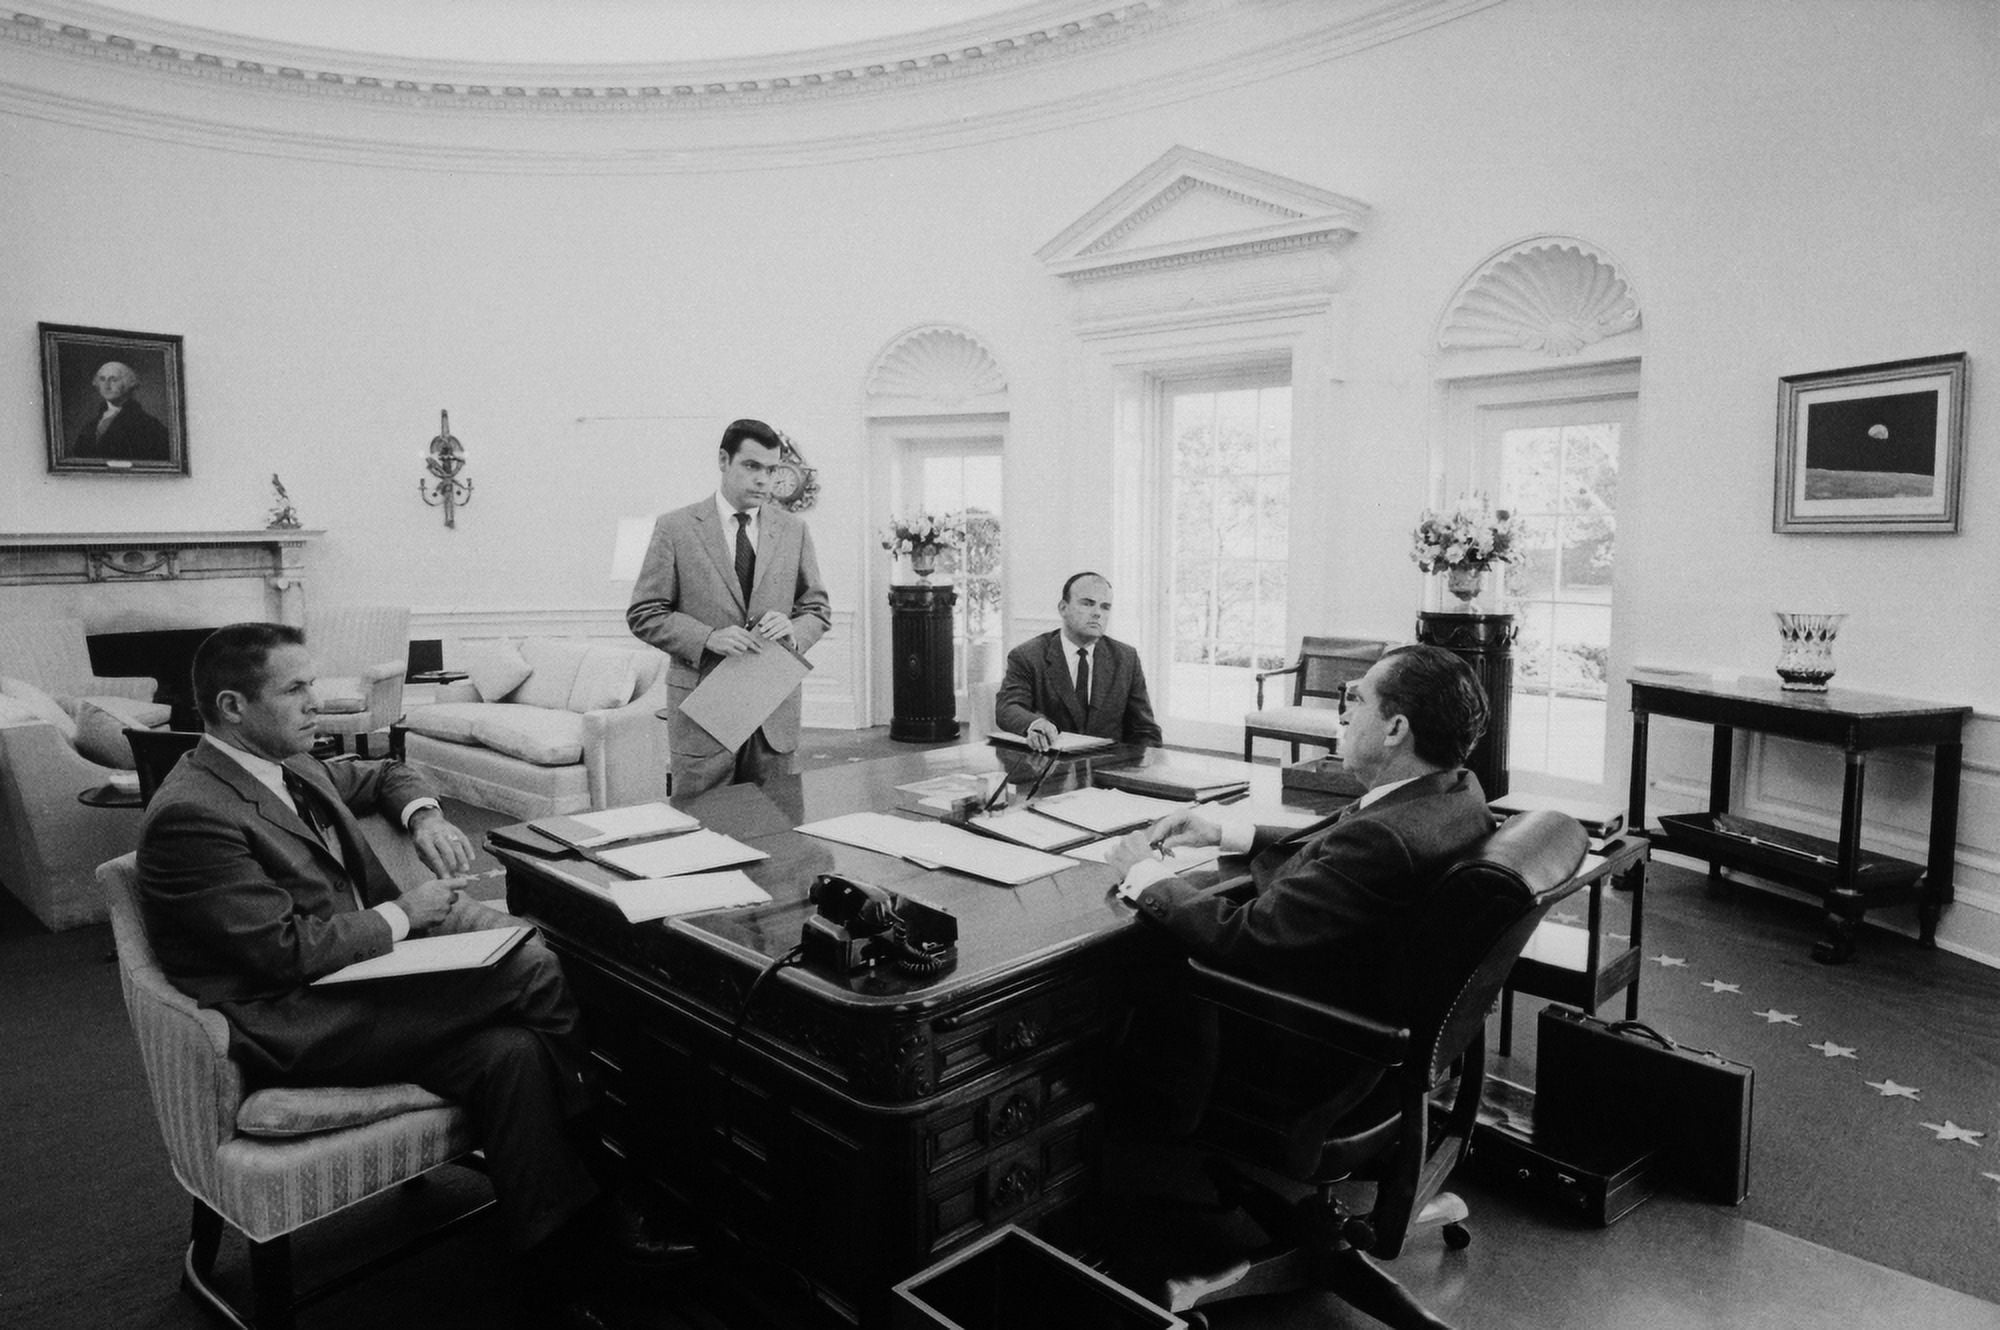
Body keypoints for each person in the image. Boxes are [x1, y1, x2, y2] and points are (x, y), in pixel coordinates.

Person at [136, 623, 692, 1328]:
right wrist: (405, 913)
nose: (319, 701)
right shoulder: (193, 813)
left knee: (512, 1054)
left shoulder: (285, 763)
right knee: (533, 966)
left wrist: (422, 811)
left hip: (353, 984)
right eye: (297, 689)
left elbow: (386, 772)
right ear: (232, 707)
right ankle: (612, 1181)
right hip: (295, 1018)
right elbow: (282, 954)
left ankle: (557, 1269)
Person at [1105, 643, 1495, 1019]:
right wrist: (1223, 832)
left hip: (1300, 1027)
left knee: (1138, 962)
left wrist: (1144, 873)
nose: (1343, 717)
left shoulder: (1382, 840)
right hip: (1358, 984)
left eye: (1357, 701)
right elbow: (1340, 853)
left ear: (1395, 729)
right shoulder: (1455, 791)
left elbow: (1245, 938)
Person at [627, 418, 831, 802]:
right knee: (702, 828)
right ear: (724, 460)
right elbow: (644, 612)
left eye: (771, 470)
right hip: (704, 711)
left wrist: (792, 629)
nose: (763, 481)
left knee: (776, 828)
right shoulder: (675, 528)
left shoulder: (793, 530)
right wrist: (708, 638)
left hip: (772, 708)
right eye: (751, 467)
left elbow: (817, 609)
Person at [995, 571, 1161, 752]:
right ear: (1063, 608)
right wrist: (1034, 723)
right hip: (1048, 769)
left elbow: (1145, 730)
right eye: (1088, 604)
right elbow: (1008, 707)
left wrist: (1134, 772)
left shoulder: (1126, 659)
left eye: (1105, 607)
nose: (1097, 613)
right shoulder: (1028, 656)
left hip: (1107, 769)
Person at [70, 360, 171, 461]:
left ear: (128, 383)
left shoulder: (149, 425)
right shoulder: (90, 426)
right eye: (102, 379)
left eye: (113, 380)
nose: (106, 385)